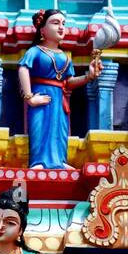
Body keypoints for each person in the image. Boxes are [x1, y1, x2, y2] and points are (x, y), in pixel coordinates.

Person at [19, 9, 101, 168]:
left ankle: (60, 161)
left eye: (63, 23)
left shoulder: (65, 57)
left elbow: (68, 82)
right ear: (42, 30)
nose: (61, 27)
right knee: (40, 128)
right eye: (55, 23)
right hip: (41, 96)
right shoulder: (35, 51)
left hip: (59, 99)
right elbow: (23, 68)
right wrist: (29, 97)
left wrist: (88, 76)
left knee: (60, 130)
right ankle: (39, 161)